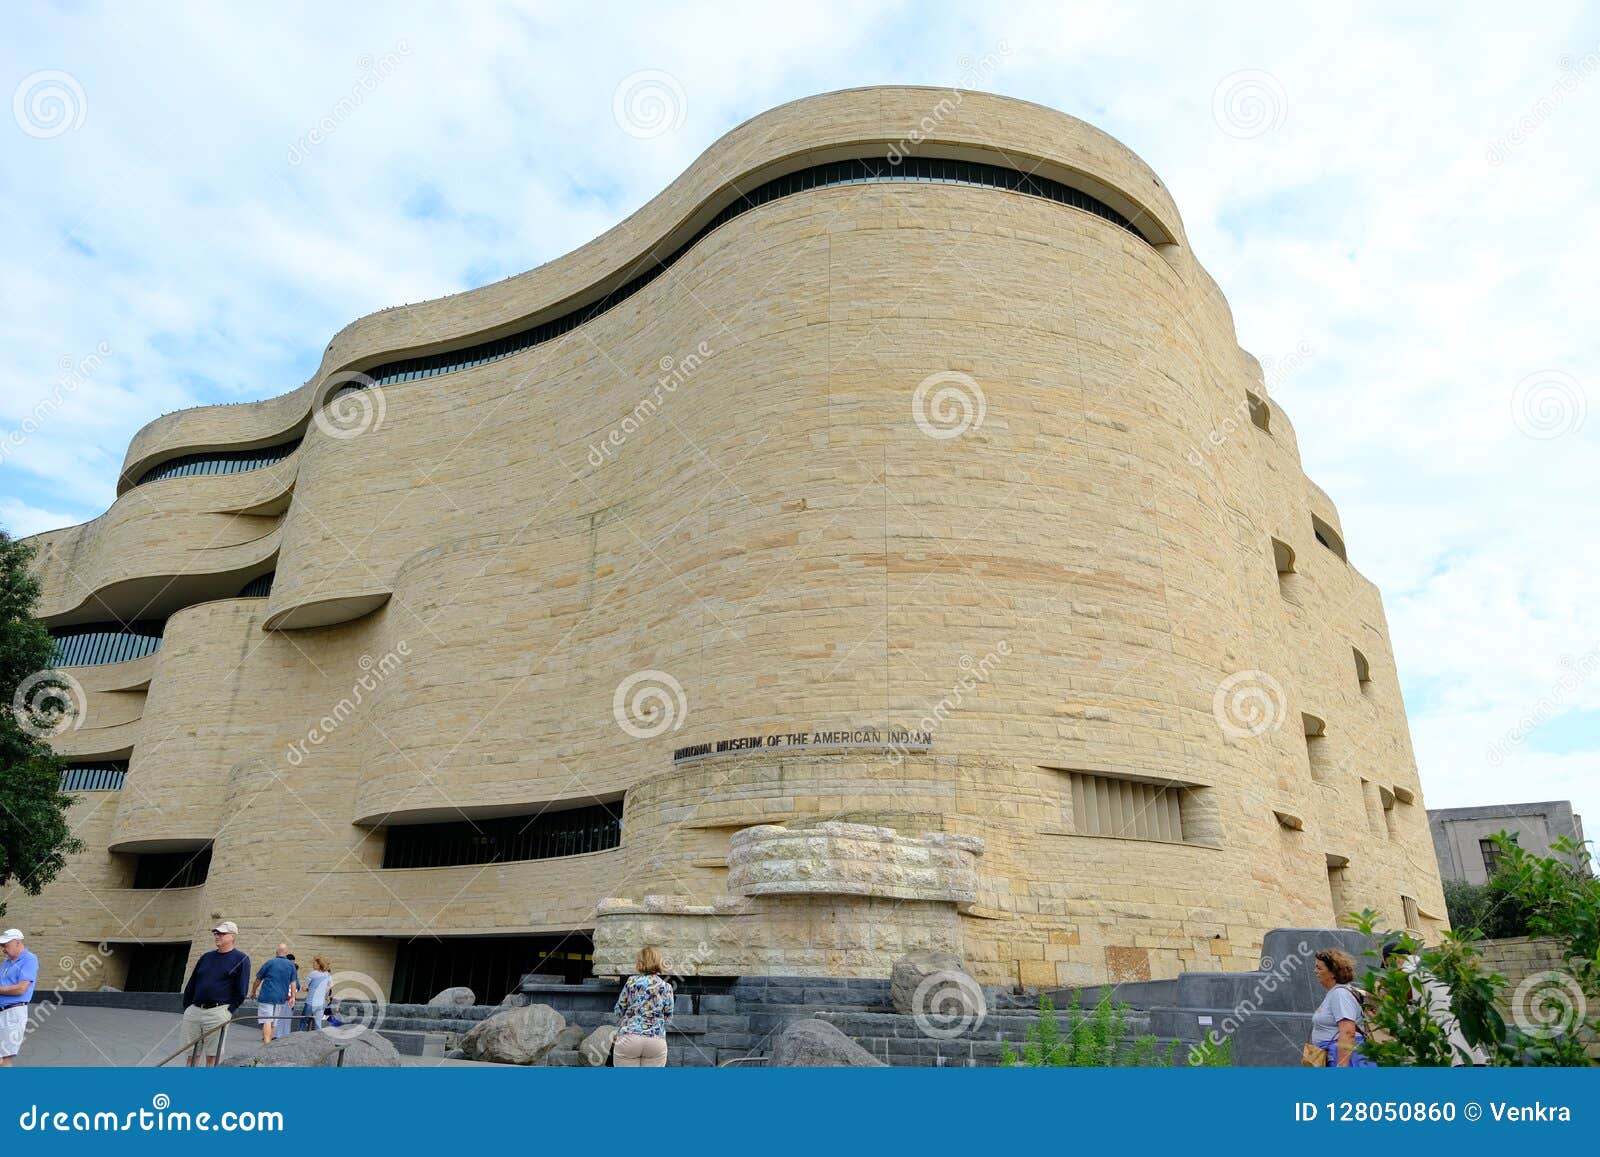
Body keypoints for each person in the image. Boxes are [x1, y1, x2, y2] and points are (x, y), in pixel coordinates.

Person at [1382, 940, 1488, 1066]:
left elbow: (1402, 1002)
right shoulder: (1432, 967)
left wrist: (1380, 992)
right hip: (1464, 1041)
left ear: (1395, 959)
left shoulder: (1408, 974)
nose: (1389, 970)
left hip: (1442, 1048)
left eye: (1387, 965)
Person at [178, 921, 251, 1066]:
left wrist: (228, 1012)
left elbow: (241, 990)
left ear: (232, 936)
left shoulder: (241, 959)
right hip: (195, 1010)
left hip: (218, 1012)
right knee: (191, 1054)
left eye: (222, 933)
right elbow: (192, 983)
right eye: (216, 933)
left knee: (212, 1056)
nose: (217, 936)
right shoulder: (206, 957)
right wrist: (188, 1007)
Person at [1310, 947, 1377, 1067]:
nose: (1315, 971)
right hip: (1335, 1056)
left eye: (1319, 968)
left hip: (1345, 1059)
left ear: (1332, 973)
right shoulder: (1335, 992)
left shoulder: (1340, 994)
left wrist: (1341, 1065)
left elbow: (1347, 1032)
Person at [611, 945, 674, 1067]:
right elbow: (668, 1017)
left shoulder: (631, 982)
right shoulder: (666, 987)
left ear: (640, 962)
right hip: (656, 1040)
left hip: (629, 1038)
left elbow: (618, 1011)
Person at [0, 930, 40, 1067]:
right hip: (3, 1012)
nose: (3, 949)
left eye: (5, 945)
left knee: (5, 1059)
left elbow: (21, 988)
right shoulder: (7, 962)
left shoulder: (29, 959)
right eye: (1, 946)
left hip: (13, 1014)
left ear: (17, 943)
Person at [249, 943, 298, 1044]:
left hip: (267, 996)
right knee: (274, 1021)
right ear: (286, 953)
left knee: (267, 1020)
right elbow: (293, 982)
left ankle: (267, 1043)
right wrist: (293, 997)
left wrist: (253, 991)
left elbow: (258, 979)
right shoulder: (291, 966)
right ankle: (269, 1043)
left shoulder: (270, 963)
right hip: (281, 997)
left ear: (276, 952)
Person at [305, 957, 333, 1029]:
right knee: (318, 1023)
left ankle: (298, 1038)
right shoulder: (327, 974)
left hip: (310, 1002)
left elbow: (304, 988)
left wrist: (310, 989)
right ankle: (317, 1038)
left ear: (318, 964)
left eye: (314, 963)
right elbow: (330, 986)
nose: (313, 965)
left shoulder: (312, 973)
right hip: (321, 1003)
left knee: (304, 1021)